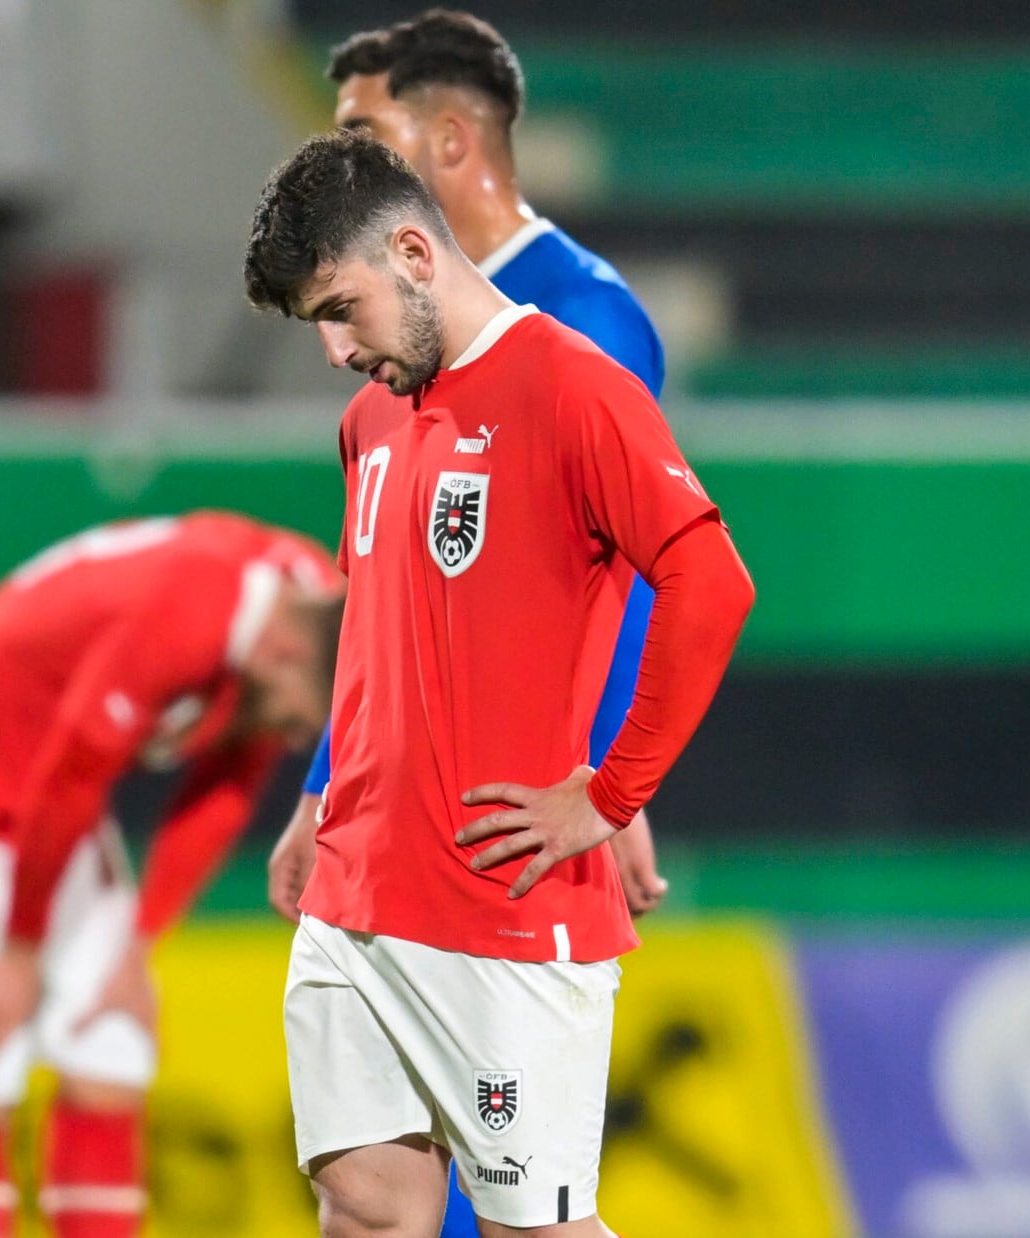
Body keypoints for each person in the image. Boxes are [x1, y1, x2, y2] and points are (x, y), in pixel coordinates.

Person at [242, 129, 754, 1237]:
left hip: (502, 911)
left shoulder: (575, 386)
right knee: (367, 1206)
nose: (334, 349)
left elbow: (709, 584)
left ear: (417, 254)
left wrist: (612, 795)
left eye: (341, 307)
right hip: (353, 896)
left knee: (539, 1229)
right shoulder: (370, 417)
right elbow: (383, 640)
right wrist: (317, 798)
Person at [272, 9, 670, 944]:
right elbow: (388, 598)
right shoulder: (404, 327)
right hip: (409, 811)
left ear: (450, 138)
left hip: (522, 809)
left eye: (364, 134)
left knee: (518, 1083)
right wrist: (323, 783)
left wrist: (611, 785)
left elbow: (644, 563)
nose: (345, 162)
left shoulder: (581, 318)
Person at [0, 512, 342, 1237]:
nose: (301, 737)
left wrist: (137, 947)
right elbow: (72, 778)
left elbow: (226, 785)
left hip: (50, 809)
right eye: (305, 720)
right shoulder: (186, 610)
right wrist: (19, 954)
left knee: (112, 1044)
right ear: (281, 656)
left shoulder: (313, 603)